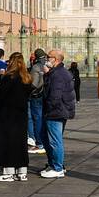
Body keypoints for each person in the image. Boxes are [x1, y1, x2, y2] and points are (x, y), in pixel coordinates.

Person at [0, 52, 32, 181]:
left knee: (8, 142)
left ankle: (8, 171)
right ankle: (22, 171)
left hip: (8, 114)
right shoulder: (27, 78)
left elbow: (1, 96)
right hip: (21, 114)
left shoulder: (9, 77)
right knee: (20, 142)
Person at [40, 49, 75, 179]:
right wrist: (47, 74)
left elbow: (54, 95)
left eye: (49, 57)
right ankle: (53, 164)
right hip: (59, 110)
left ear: (56, 59)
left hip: (56, 111)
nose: (47, 59)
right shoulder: (56, 73)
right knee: (46, 137)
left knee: (55, 140)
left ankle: (58, 167)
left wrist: (49, 108)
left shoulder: (58, 74)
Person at [27, 48, 48, 155]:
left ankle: (39, 143)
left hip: (36, 96)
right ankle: (43, 142)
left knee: (36, 118)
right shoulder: (47, 65)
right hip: (45, 95)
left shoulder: (36, 67)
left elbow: (34, 84)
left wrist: (28, 91)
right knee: (42, 118)